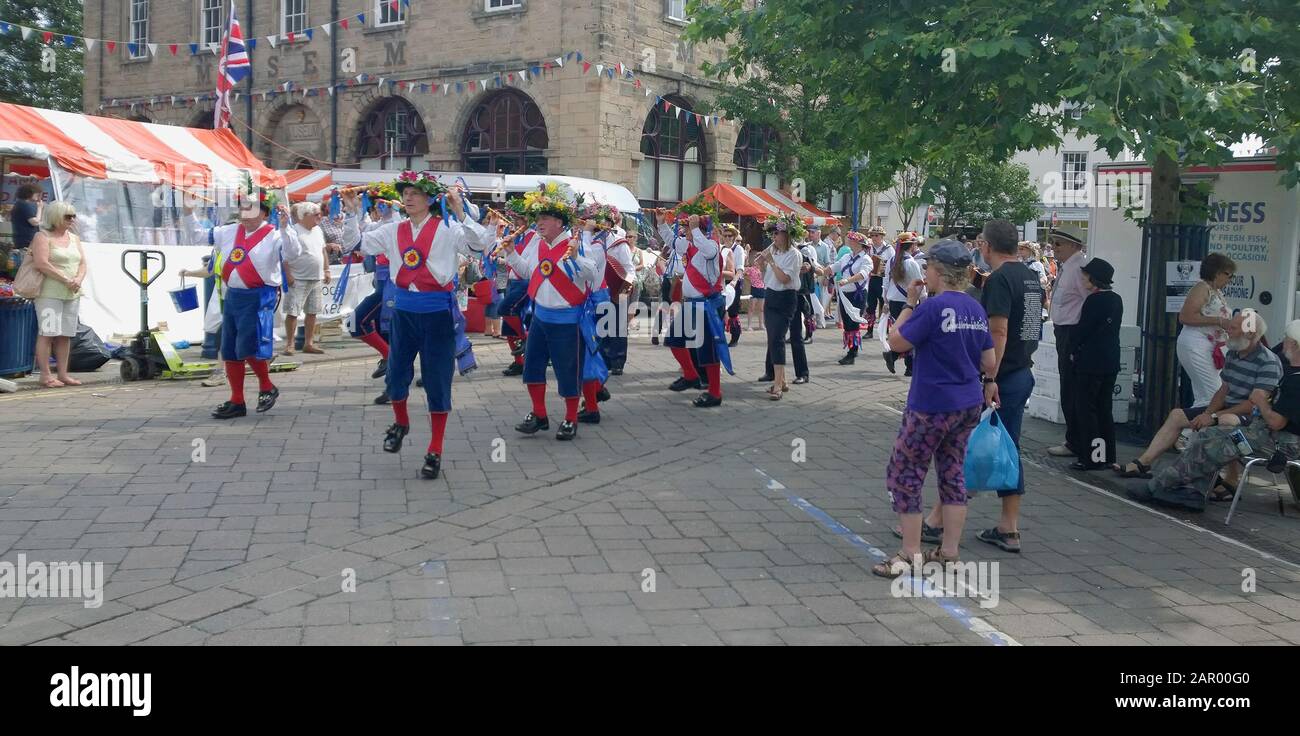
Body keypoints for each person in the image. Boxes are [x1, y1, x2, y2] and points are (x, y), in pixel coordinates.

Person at [345, 172, 490, 480]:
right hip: (403, 313)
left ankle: (435, 449)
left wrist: (461, 209)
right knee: (396, 375)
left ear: (431, 199)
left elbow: (481, 245)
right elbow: (355, 244)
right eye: (406, 193)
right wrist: (352, 211)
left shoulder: (449, 230)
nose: (408, 197)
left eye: (415, 193)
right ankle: (400, 422)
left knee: (437, 381)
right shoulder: (391, 230)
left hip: (437, 313)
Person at [875, 240, 996, 577]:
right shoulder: (975, 308)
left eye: (927, 267)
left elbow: (896, 342)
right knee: (952, 473)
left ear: (939, 273)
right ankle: (949, 553)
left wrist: (909, 304)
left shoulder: (932, 307)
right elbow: (990, 361)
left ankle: (909, 553)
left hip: (931, 404)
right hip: (967, 403)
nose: (924, 272)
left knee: (906, 474)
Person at [1133, 319, 1300, 512]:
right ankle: (1193, 491)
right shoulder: (1288, 368)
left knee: (1215, 445)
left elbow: (1277, 422)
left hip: (1277, 443)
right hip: (1261, 434)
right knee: (1208, 434)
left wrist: (1261, 402)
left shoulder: (1295, 382)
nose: (1283, 342)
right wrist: (1210, 414)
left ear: (1294, 345)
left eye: (1286, 339)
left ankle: (1160, 485)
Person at [185, 186, 308, 421]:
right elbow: (198, 236)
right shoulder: (229, 231)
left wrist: (286, 226)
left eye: (252, 210)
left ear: (264, 213)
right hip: (233, 296)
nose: (246, 215)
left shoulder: (274, 235)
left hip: (260, 295)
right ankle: (237, 400)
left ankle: (266, 386)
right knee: (230, 349)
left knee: (247, 346)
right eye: (242, 209)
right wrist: (189, 212)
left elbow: (293, 254)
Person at [1114, 310, 1280, 482]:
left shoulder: (1268, 361)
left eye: (1233, 328)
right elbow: (1223, 390)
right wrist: (1207, 413)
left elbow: (1253, 404)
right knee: (1177, 415)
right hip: (1230, 406)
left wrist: (1214, 417)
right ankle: (1143, 463)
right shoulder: (1234, 352)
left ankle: (1229, 480)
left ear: (1250, 333)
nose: (1227, 331)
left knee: (1227, 421)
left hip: (1253, 417)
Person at [510, 183, 597, 439]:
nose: (539, 222)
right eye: (538, 217)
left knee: (568, 371)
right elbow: (527, 271)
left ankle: (571, 418)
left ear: (560, 222)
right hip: (539, 318)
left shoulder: (576, 243)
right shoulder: (536, 243)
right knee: (533, 367)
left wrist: (575, 259)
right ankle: (539, 414)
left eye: (545, 218)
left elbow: (593, 274)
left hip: (567, 320)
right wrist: (511, 254)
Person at [657, 209, 729, 408]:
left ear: (699, 229)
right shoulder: (689, 245)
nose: (684, 232)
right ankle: (690, 375)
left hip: (707, 305)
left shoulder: (711, 245)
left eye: (687, 229)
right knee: (674, 339)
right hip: (691, 304)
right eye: (686, 229)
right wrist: (662, 223)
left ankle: (715, 393)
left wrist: (695, 229)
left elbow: (708, 251)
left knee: (708, 350)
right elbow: (672, 241)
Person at [1069, 258, 1123, 471]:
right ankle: (1107, 455)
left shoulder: (1094, 301)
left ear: (1094, 278)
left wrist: (1073, 349)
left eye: (1086, 276)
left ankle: (1092, 457)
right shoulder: (1116, 299)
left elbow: (1082, 331)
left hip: (1091, 362)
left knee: (1087, 410)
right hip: (1110, 360)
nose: (1083, 279)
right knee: (1104, 408)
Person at [29, 202, 87, 389]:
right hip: (49, 292)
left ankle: (63, 373)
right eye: (67, 216)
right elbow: (41, 263)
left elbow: (83, 263)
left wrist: (78, 278)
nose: (72, 220)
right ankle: (45, 375)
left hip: (72, 292)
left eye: (73, 216)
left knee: (65, 334)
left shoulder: (74, 238)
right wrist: (66, 279)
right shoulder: (42, 237)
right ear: (55, 217)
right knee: (48, 333)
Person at [1045, 226, 1091, 458]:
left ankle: (1075, 441)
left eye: (1059, 243)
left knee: (1071, 389)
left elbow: (1088, 302)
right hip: (1064, 331)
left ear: (1074, 245)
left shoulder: (1079, 268)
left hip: (1072, 332)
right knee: (1068, 387)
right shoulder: (1069, 267)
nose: (1055, 248)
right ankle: (1073, 439)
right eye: (1054, 242)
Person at [1177, 253, 1236, 409]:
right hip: (1196, 344)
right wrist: (1219, 321)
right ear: (1217, 273)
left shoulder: (1215, 291)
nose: (1230, 280)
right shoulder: (1202, 288)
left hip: (1207, 346)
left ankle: (1189, 432)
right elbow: (1185, 316)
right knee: (1214, 395)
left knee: (1206, 396)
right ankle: (1189, 430)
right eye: (1229, 275)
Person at [755, 214, 804, 400]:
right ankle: (781, 381)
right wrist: (761, 263)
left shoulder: (794, 254)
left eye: (777, 233)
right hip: (771, 296)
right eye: (772, 233)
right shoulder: (773, 250)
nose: (773, 236)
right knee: (772, 338)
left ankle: (777, 384)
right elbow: (766, 274)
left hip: (786, 298)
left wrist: (770, 261)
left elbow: (784, 279)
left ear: (787, 234)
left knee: (777, 339)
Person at [282, 202, 333, 356]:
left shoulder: (317, 230)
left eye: (319, 213)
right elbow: (284, 255)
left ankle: (308, 343)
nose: (320, 216)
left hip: (316, 278)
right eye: (316, 214)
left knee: (312, 312)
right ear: (304, 216)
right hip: (298, 278)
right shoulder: (293, 231)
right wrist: (288, 275)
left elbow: (322, 251)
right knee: (293, 312)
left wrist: (326, 269)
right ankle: (290, 345)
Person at [498, 199, 541, 377]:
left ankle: (526, 340)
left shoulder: (535, 237)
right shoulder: (516, 234)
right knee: (507, 325)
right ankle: (519, 362)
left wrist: (511, 252)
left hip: (525, 282)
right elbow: (508, 260)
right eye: (515, 219)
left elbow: (526, 269)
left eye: (520, 219)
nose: (516, 223)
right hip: (513, 280)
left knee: (504, 309)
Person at [882, 232, 924, 376]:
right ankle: (908, 365)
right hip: (908, 302)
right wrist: (923, 300)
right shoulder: (911, 262)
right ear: (912, 246)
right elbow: (918, 285)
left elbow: (885, 283)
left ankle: (895, 356)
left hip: (894, 301)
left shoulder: (891, 260)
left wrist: (885, 300)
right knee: (911, 333)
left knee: (902, 332)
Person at [832, 231, 873, 365]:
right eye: (849, 240)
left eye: (852, 240)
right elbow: (835, 267)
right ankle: (851, 350)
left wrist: (848, 280)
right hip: (844, 294)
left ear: (859, 244)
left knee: (853, 322)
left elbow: (863, 274)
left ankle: (852, 353)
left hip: (857, 294)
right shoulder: (846, 257)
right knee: (846, 323)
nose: (849, 242)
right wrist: (818, 270)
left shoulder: (866, 259)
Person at [864, 226, 892, 338]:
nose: (874, 237)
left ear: (882, 236)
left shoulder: (889, 249)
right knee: (870, 305)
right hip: (872, 279)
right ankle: (869, 331)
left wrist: (884, 267)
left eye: (876, 235)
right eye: (872, 235)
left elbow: (893, 264)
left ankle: (886, 331)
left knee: (884, 304)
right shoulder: (868, 248)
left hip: (883, 279)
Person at [745, 250, 766, 332]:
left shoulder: (762, 268)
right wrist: (750, 279)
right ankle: (749, 325)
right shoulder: (751, 269)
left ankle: (761, 324)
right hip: (754, 288)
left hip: (762, 288)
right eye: (755, 259)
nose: (756, 261)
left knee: (761, 308)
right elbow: (744, 272)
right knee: (751, 308)